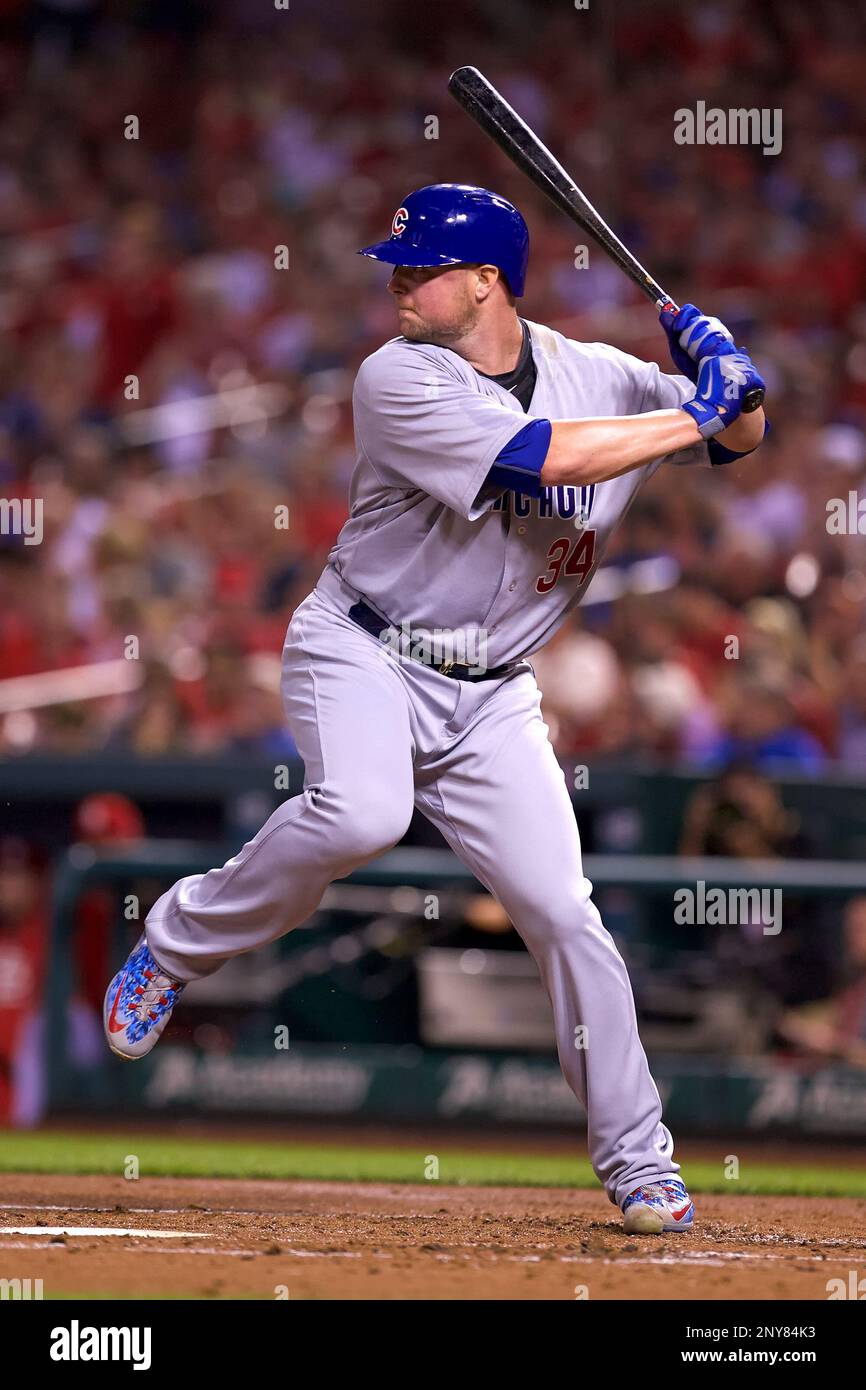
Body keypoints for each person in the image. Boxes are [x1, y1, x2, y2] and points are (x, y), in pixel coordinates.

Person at [103, 184, 766, 1235]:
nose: (398, 285)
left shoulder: (596, 370)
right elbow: (539, 459)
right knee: (361, 814)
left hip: (493, 694)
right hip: (363, 649)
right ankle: (176, 942)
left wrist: (731, 374)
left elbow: (740, 439)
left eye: (418, 270)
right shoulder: (395, 374)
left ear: (486, 282)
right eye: (396, 269)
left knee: (562, 911)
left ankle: (641, 1164)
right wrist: (696, 404)